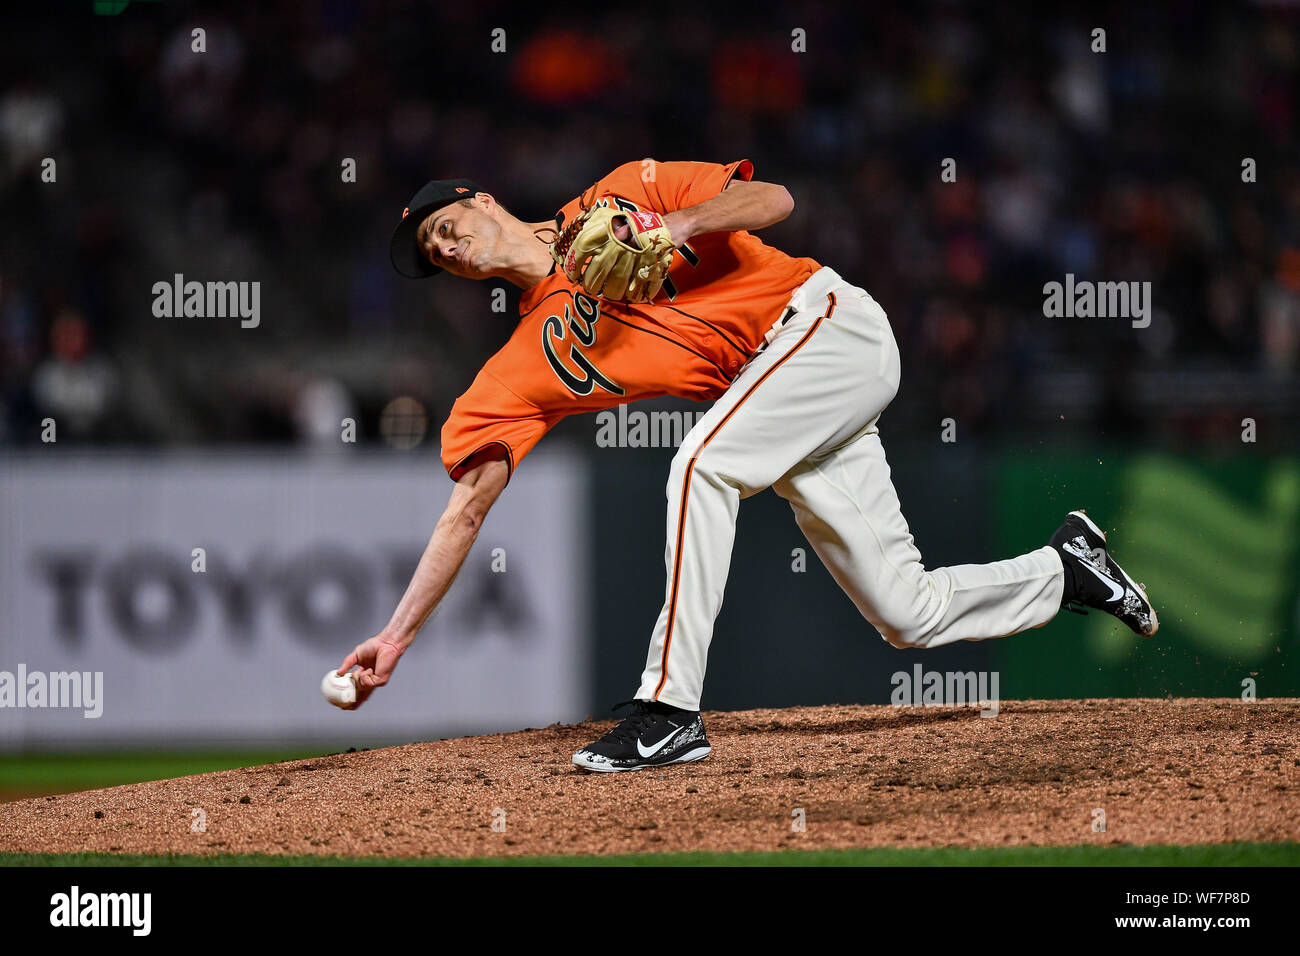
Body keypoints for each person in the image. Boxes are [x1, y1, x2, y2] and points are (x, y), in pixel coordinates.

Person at [336, 159, 1158, 772]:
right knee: (907, 613)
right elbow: (466, 508)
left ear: (480, 199)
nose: (445, 247)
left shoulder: (621, 192)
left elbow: (775, 200)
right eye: (433, 253)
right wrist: (396, 637)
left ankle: (669, 711)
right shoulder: (520, 367)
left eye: (445, 225)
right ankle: (1066, 569)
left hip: (825, 326)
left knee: (698, 464)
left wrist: (677, 226)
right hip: (784, 403)